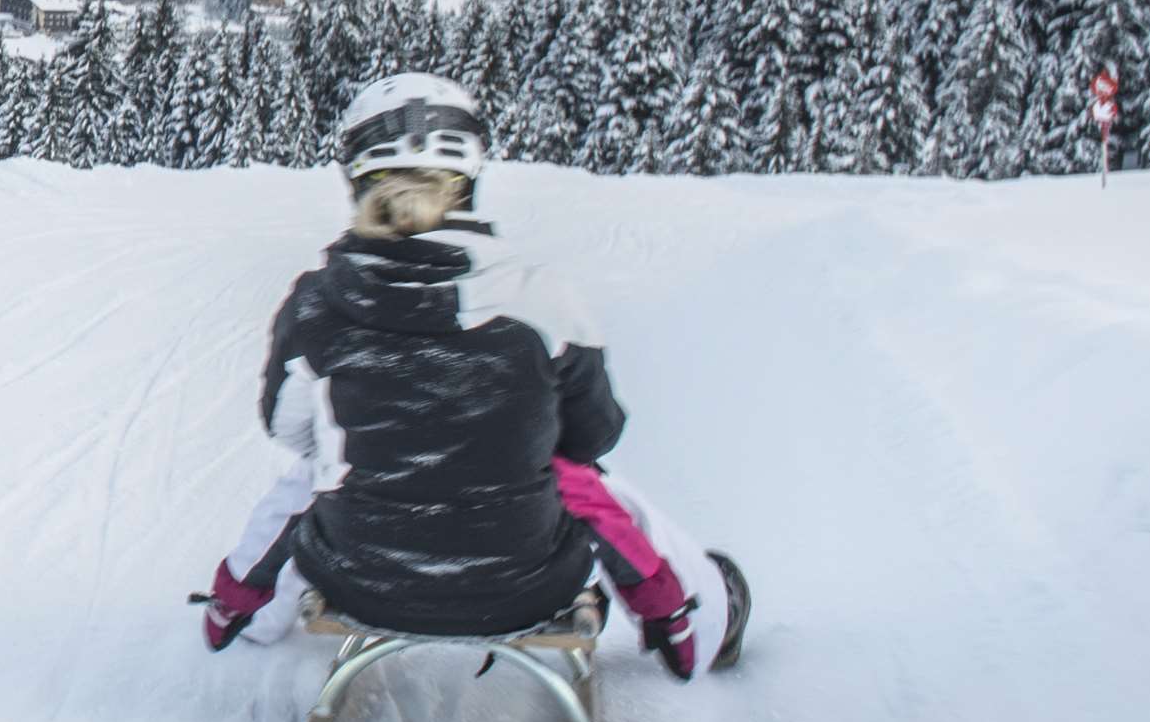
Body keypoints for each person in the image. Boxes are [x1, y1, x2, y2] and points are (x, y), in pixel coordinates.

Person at [197, 73, 746, 678]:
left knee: (322, 469)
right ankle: (691, 615)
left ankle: (242, 609)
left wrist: (382, 440)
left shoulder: (317, 304)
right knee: (579, 480)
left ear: (357, 179)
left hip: (360, 581)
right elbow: (593, 436)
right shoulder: (542, 299)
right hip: (527, 585)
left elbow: (288, 429)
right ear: (469, 177)